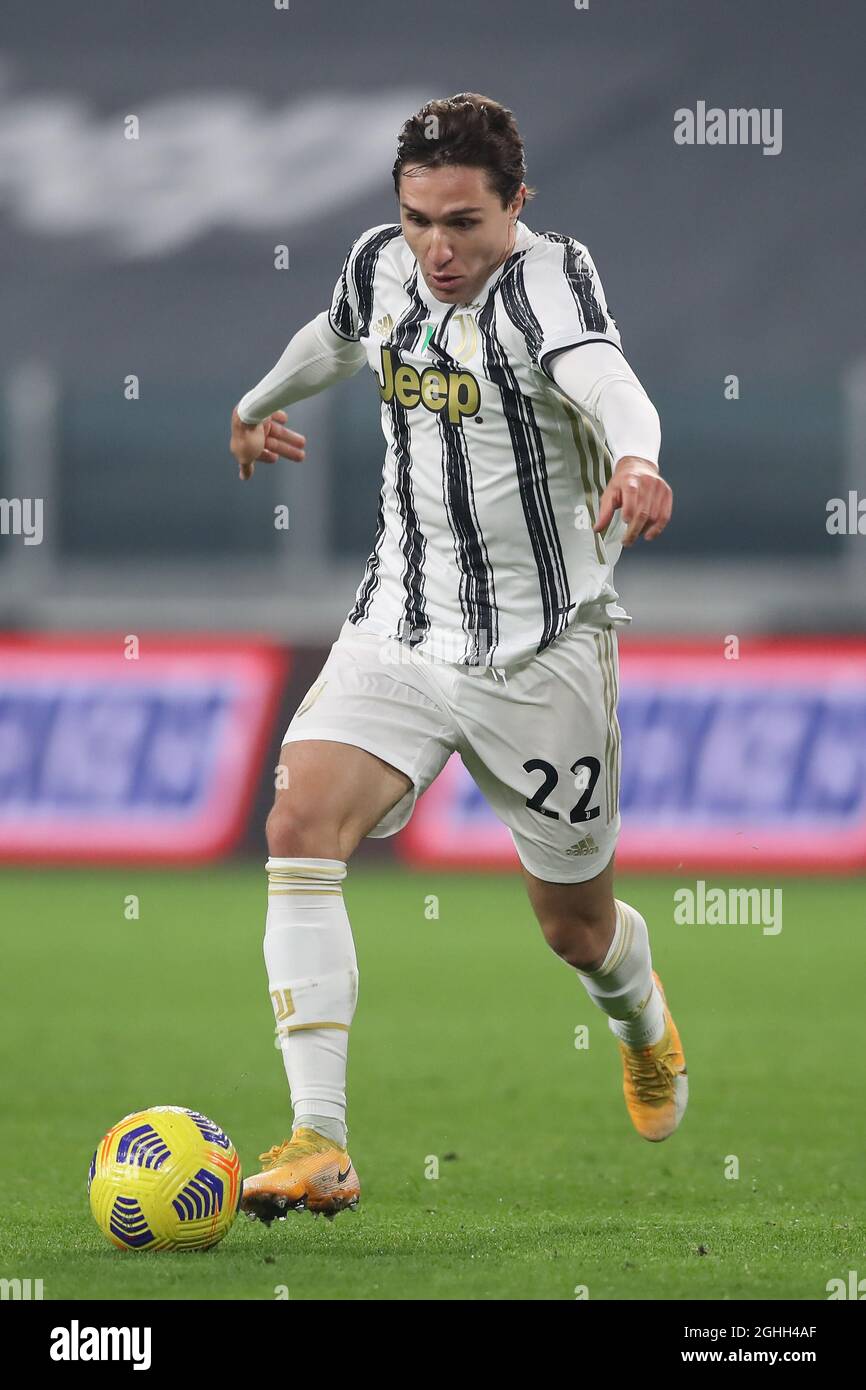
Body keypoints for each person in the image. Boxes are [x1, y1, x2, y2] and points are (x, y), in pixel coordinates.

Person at [229, 92, 685, 1225]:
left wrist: (634, 457)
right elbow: (333, 338)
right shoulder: (382, 265)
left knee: (572, 927)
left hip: (542, 652)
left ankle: (640, 1021)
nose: (439, 248)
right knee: (297, 821)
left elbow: (606, 379)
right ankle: (318, 1139)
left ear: (514, 206)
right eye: (421, 218)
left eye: (465, 224)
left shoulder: (550, 283)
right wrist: (256, 403)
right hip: (402, 623)